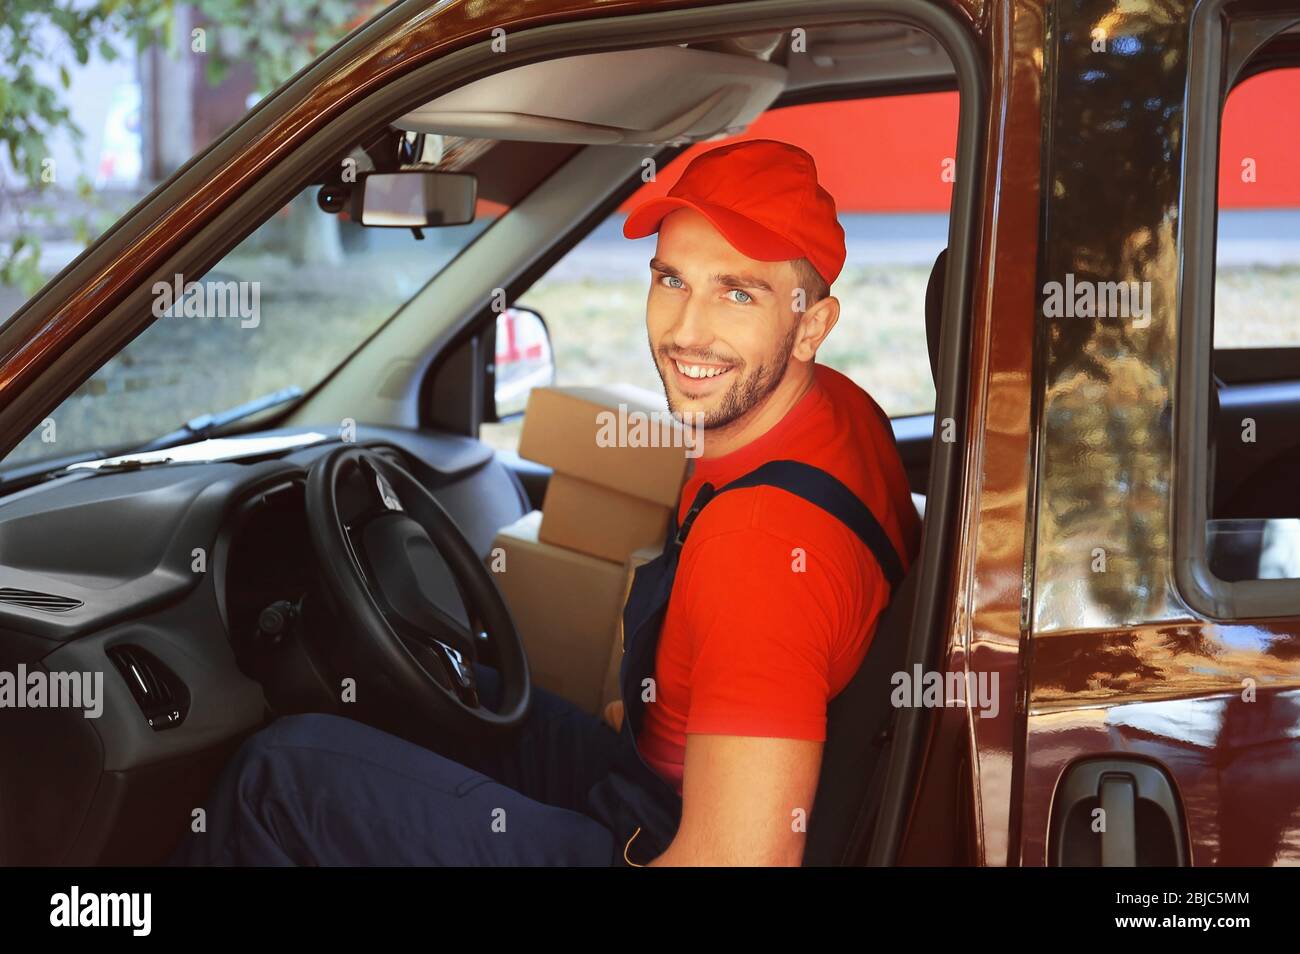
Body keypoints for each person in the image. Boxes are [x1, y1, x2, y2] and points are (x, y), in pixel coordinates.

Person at [172, 138, 920, 867]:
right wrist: (664, 714)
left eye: (737, 291)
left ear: (812, 326)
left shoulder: (759, 548)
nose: (688, 332)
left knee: (279, 780)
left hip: (656, 834)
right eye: (672, 280)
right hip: (657, 773)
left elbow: (739, 857)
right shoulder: (833, 411)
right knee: (436, 684)